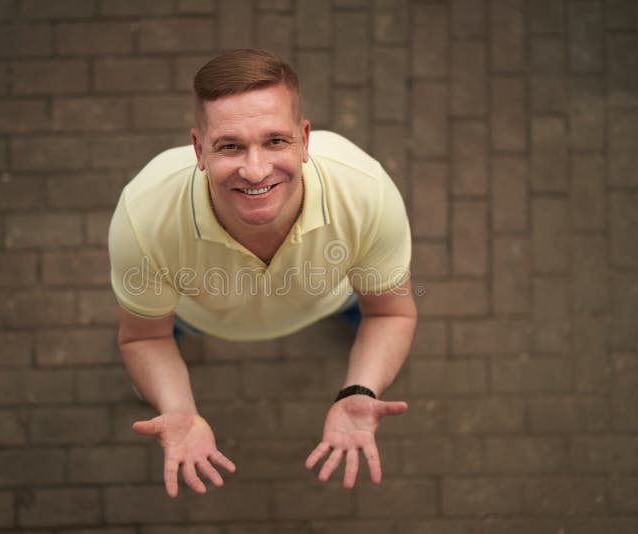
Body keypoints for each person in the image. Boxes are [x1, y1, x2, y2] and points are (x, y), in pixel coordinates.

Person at [108, 49, 417, 498]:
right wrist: (177, 407)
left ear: (304, 139)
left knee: (367, 315)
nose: (255, 171)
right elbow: (145, 336)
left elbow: (389, 312)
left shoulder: (366, 192)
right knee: (161, 343)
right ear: (199, 149)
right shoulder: (143, 216)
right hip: (198, 314)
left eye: (275, 141)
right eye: (230, 146)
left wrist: (362, 388)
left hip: (329, 295)